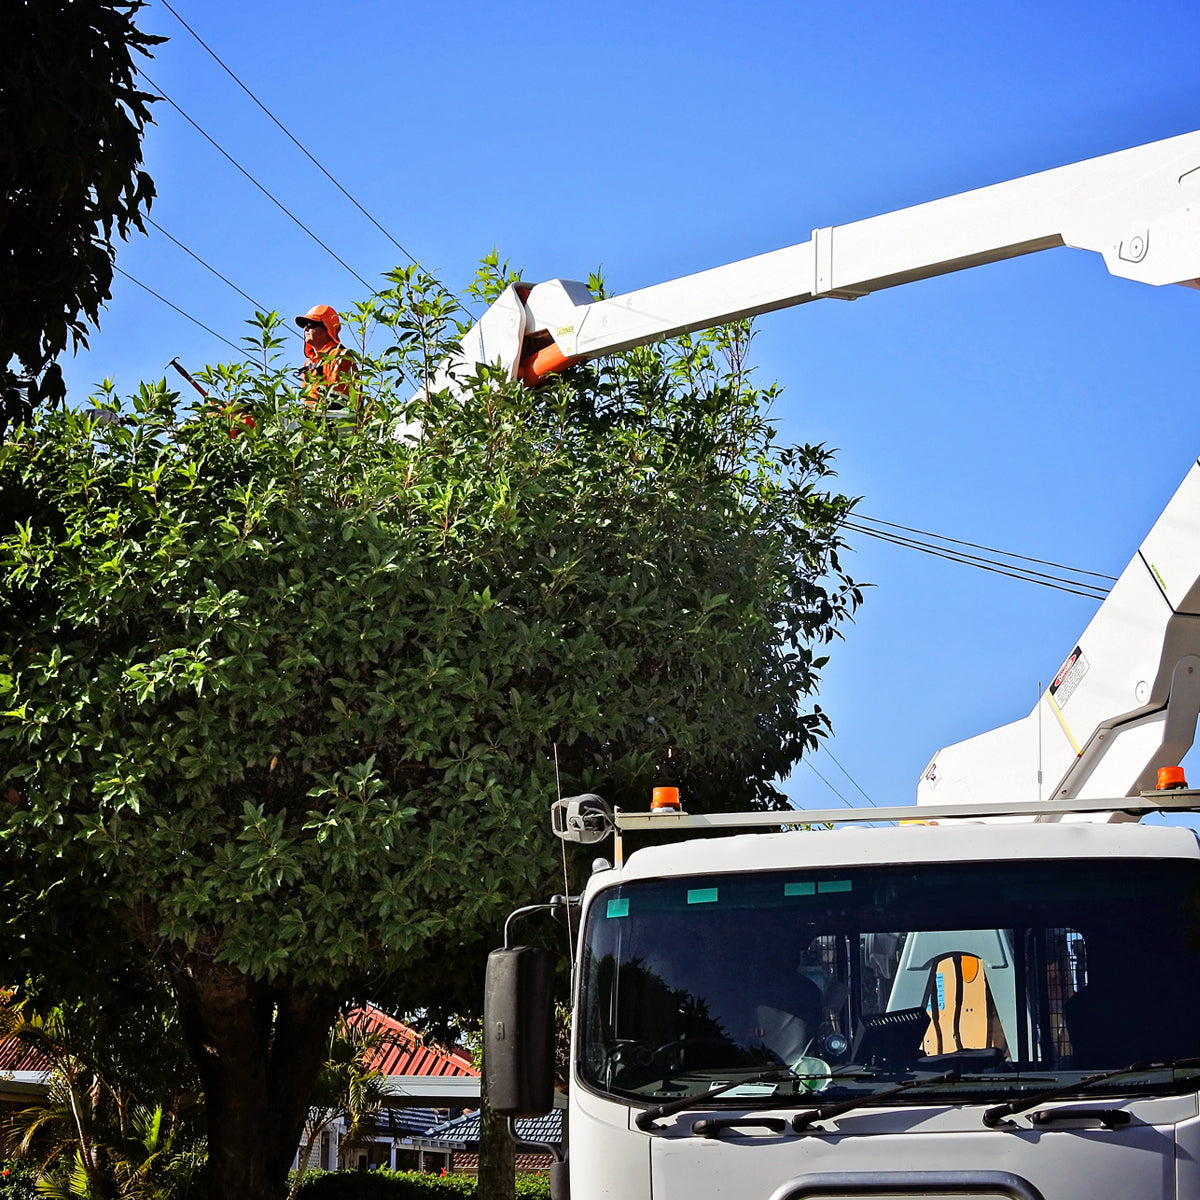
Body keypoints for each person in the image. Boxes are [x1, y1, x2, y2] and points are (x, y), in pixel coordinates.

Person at [295, 304, 356, 406]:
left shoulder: (339, 356)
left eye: (310, 324)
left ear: (327, 328)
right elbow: (307, 401)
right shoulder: (309, 363)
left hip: (338, 419)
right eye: (304, 325)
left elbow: (339, 403)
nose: (305, 329)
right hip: (315, 418)